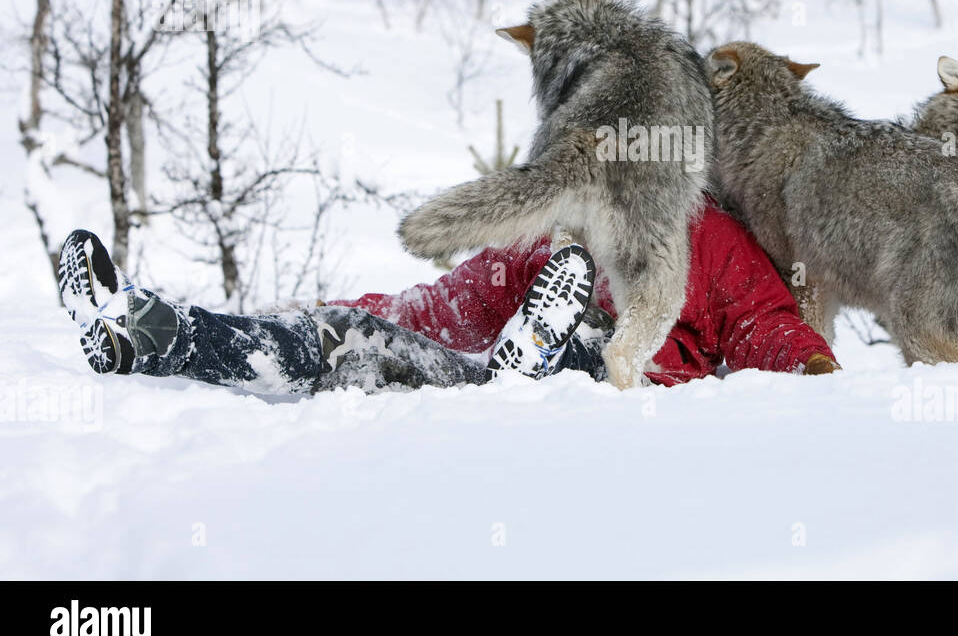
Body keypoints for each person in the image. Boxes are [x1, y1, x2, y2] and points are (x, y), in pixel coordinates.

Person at [56, 201, 840, 396]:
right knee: (354, 342)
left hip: (635, 390)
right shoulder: (547, 231)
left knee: (581, 346)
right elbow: (436, 309)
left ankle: (555, 354)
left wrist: (807, 362)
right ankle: (153, 335)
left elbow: (761, 321)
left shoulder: (706, 233)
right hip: (488, 381)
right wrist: (327, 310)